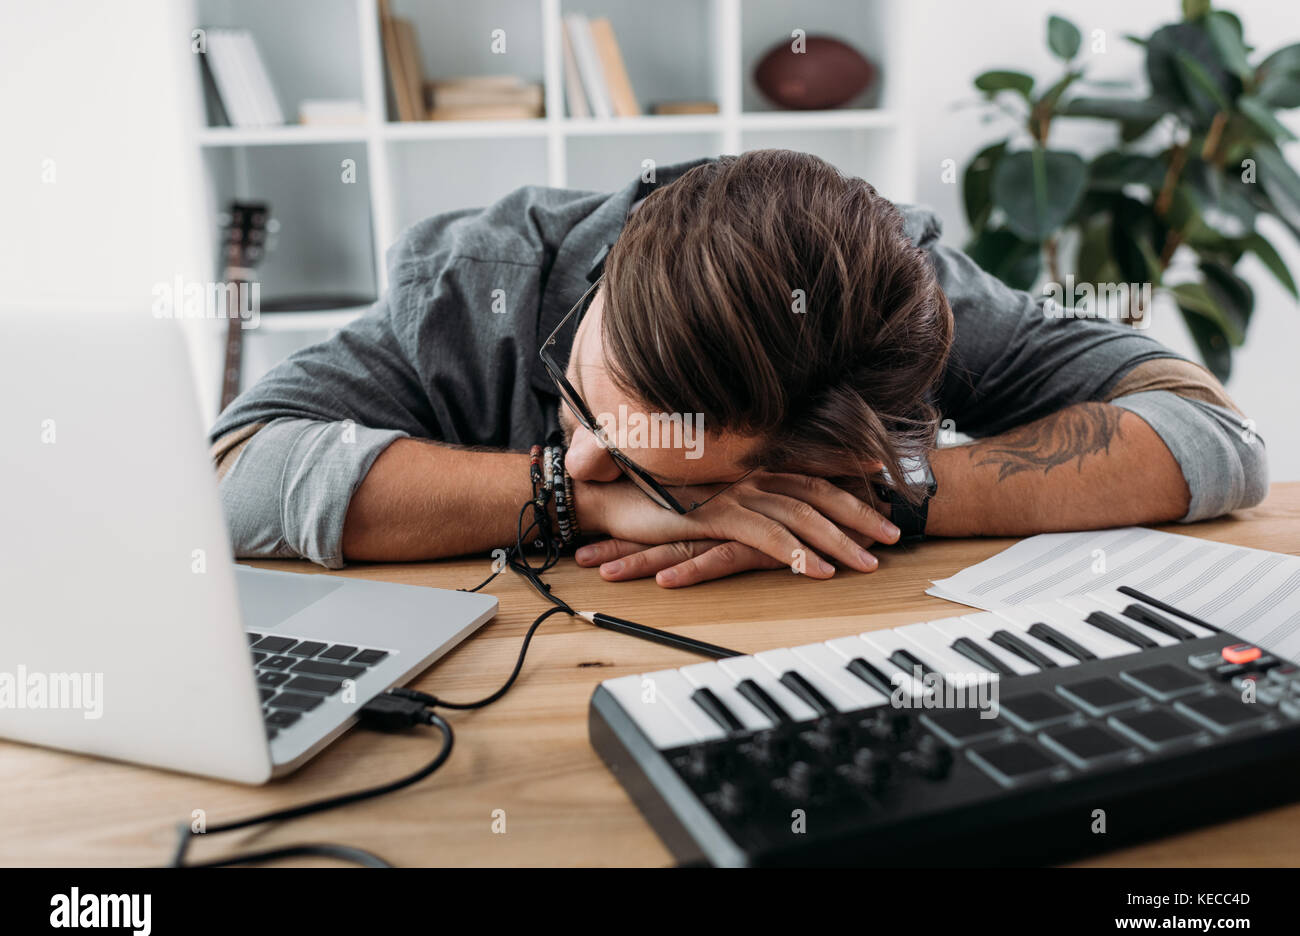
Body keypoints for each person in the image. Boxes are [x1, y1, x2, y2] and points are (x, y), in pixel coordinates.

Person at [209, 150, 1267, 588]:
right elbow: (226, 476)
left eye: (670, 470)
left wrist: (883, 497)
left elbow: (1212, 439)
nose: (580, 459)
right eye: (585, 404)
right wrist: (584, 509)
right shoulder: (478, 276)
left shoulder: (897, 292)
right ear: (614, 271)